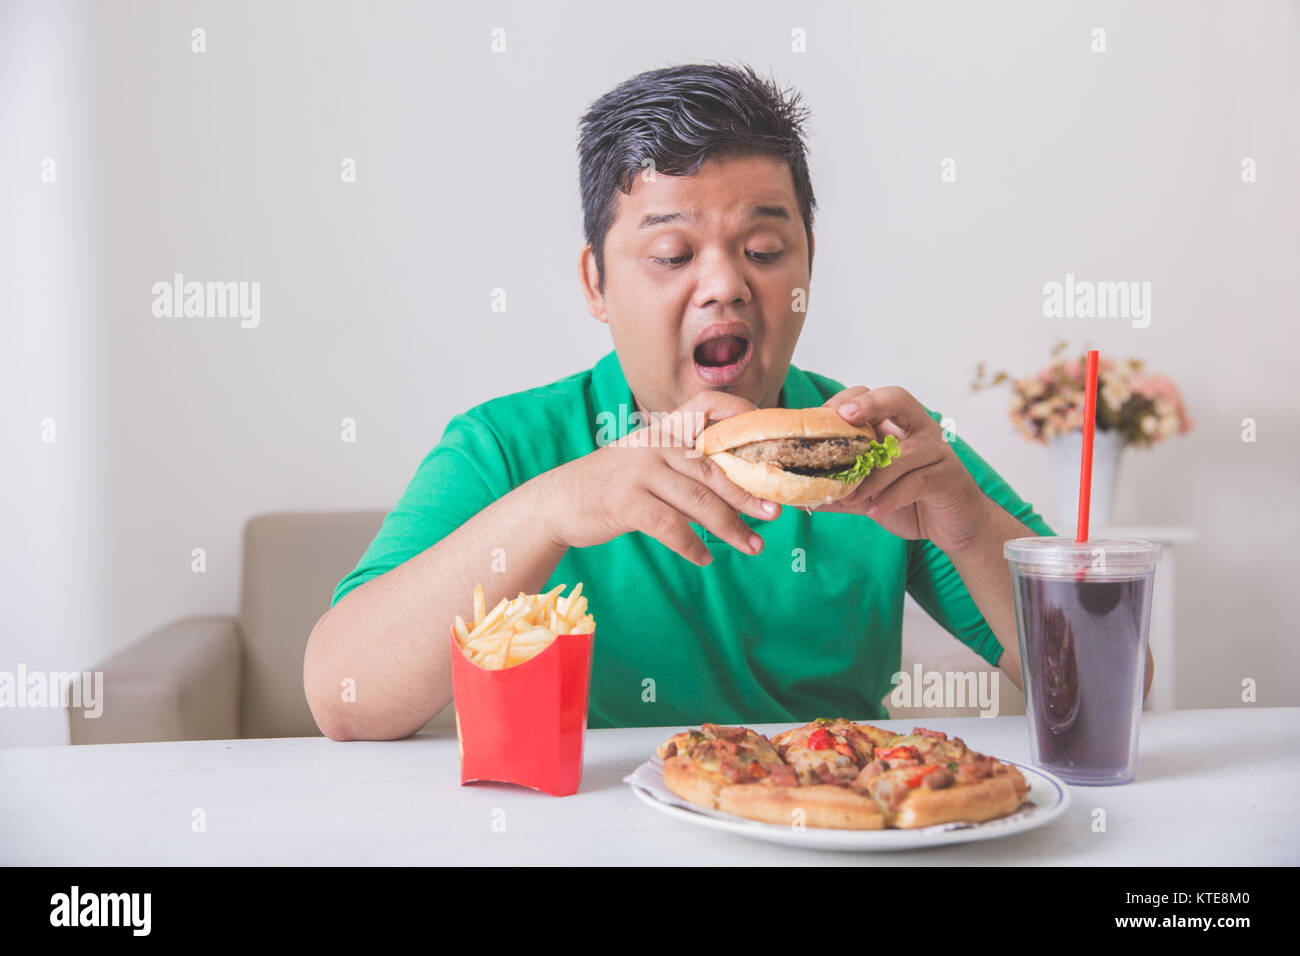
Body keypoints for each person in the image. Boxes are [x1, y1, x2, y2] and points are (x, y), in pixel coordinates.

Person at [304, 62, 1152, 740]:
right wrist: (555, 507)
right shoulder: (507, 445)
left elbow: (1118, 690)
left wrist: (965, 523)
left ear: (807, 263)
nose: (725, 285)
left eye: (763, 247)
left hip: (834, 823)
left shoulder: (875, 444)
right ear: (595, 282)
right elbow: (345, 699)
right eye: (672, 254)